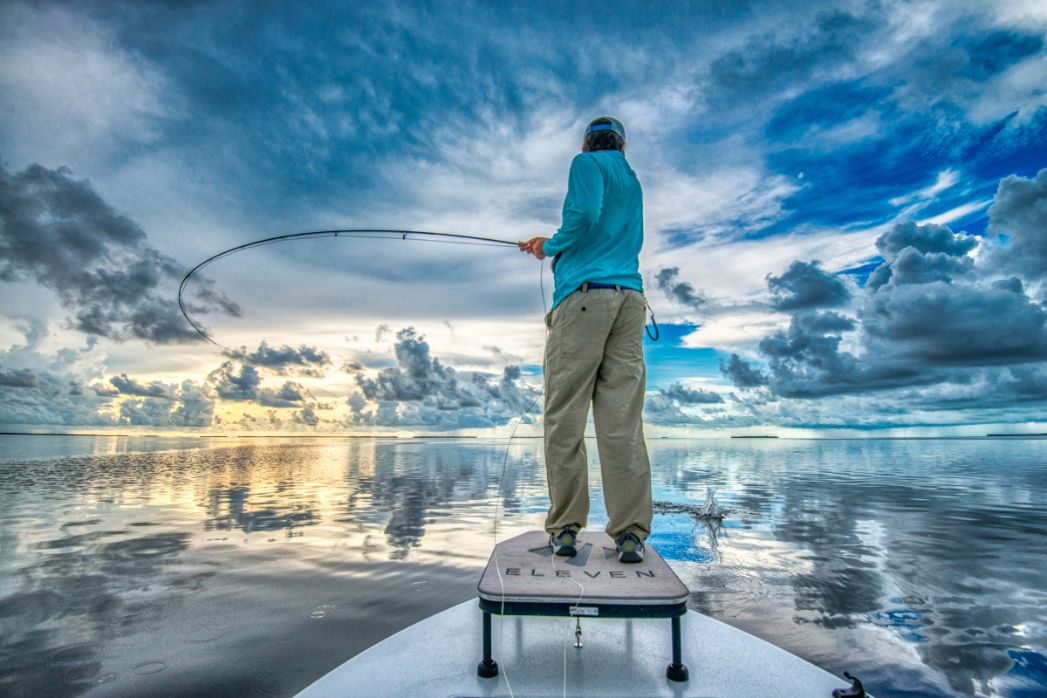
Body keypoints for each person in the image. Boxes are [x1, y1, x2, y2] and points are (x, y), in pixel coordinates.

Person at [520, 116, 652, 563]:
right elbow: (602, 225)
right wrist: (554, 243)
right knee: (622, 424)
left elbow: (583, 216)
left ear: (586, 144)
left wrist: (548, 246)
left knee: (564, 418)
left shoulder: (586, 163)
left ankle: (565, 529)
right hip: (630, 303)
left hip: (583, 302)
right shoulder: (631, 179)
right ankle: (630, 534)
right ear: (623, 145)